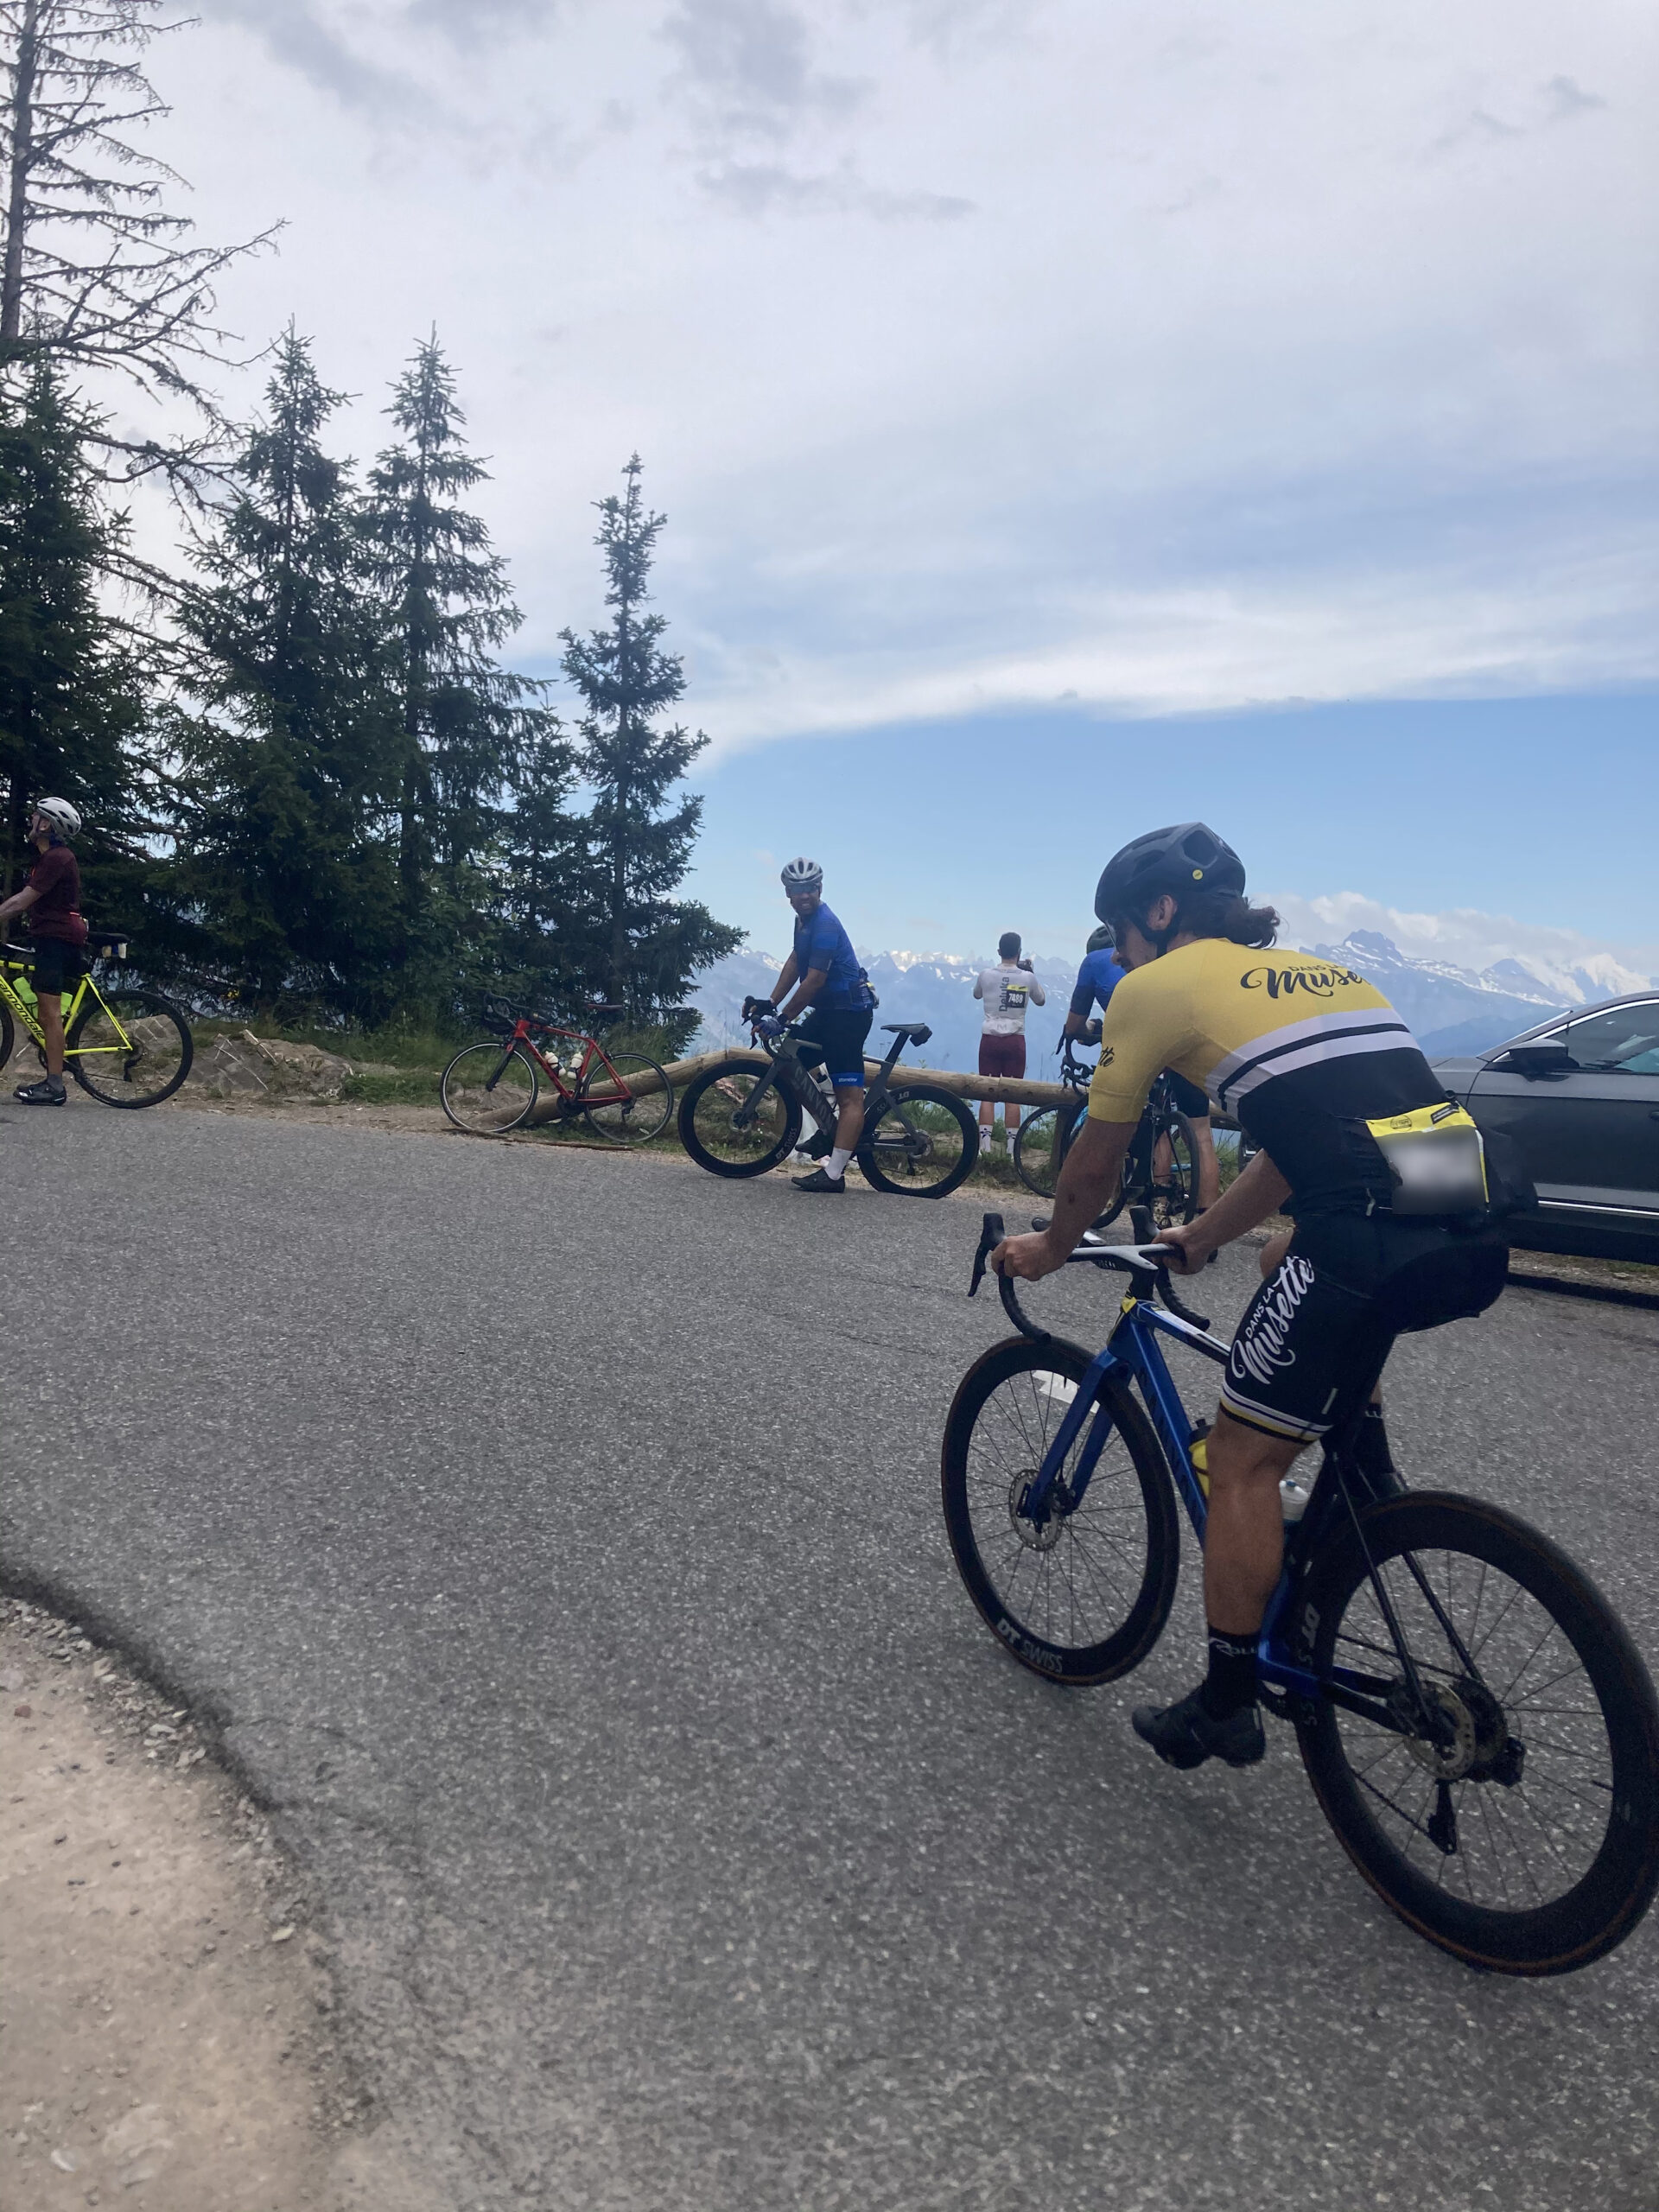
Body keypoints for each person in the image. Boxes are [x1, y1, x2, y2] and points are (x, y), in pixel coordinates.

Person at [992, 822, 1509, 1771]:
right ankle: (1369, 1484)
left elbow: (1095, 1159)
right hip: (1465, 1216)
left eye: (1118, 929)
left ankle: (1228, 1700)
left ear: (1159, 911)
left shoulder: (1150, 990)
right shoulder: (1324, 976)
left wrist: (1055, 1246)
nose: (1114, 951)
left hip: (1363, 1228)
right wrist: (1206, 1236)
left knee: (1239, 1459)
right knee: (1285, 1266)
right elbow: (1294, 1141)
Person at [1066, 920, 1221, 1212]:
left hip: (1140, 1046)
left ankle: (1136, 1200)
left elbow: (1074, 1025)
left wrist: (1089, 1032)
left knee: (1115, 1120)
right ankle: (1204, 1219)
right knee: (1199, 1131)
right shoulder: (1166, 958)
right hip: (1189, 1040)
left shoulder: (1093, 962)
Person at [754, 857, 874, 1194]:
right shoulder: (803, 921)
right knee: (789, 1067)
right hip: (827, 1012)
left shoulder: (824, 925)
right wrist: (771, 1002)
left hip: (849, 1014)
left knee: (850, 1097)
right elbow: (796, 961)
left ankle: (834, 1175)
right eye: (796, 890)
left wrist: (781, 1019)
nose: (803, 895)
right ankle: (830, 1129)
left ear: (819, 889)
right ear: (788, 894)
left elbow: (814, 981)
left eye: (809, 889)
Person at [0, 798, 88, 1106]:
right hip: (51, 936)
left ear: (46, 824)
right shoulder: (49, 858)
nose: (30, 820)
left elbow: (21, 902)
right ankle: (52, 1077)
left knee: (50, 1015)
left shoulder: (56, 858)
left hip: (56, 938)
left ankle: (54, 1086)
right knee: (44, 1008)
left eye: (35, 816)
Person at [973, 932, 1045, 1148]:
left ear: (998, 952)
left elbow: (977, 994)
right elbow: (1041, 1000)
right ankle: (1012, 1149)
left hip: (989, 1039)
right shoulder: (1027, 978)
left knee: (986, 1091)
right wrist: (1029, 973)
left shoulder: (985, 975)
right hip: (1015, 1040)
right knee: (1013, 1092)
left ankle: (985, 1147)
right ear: (1019, 952)